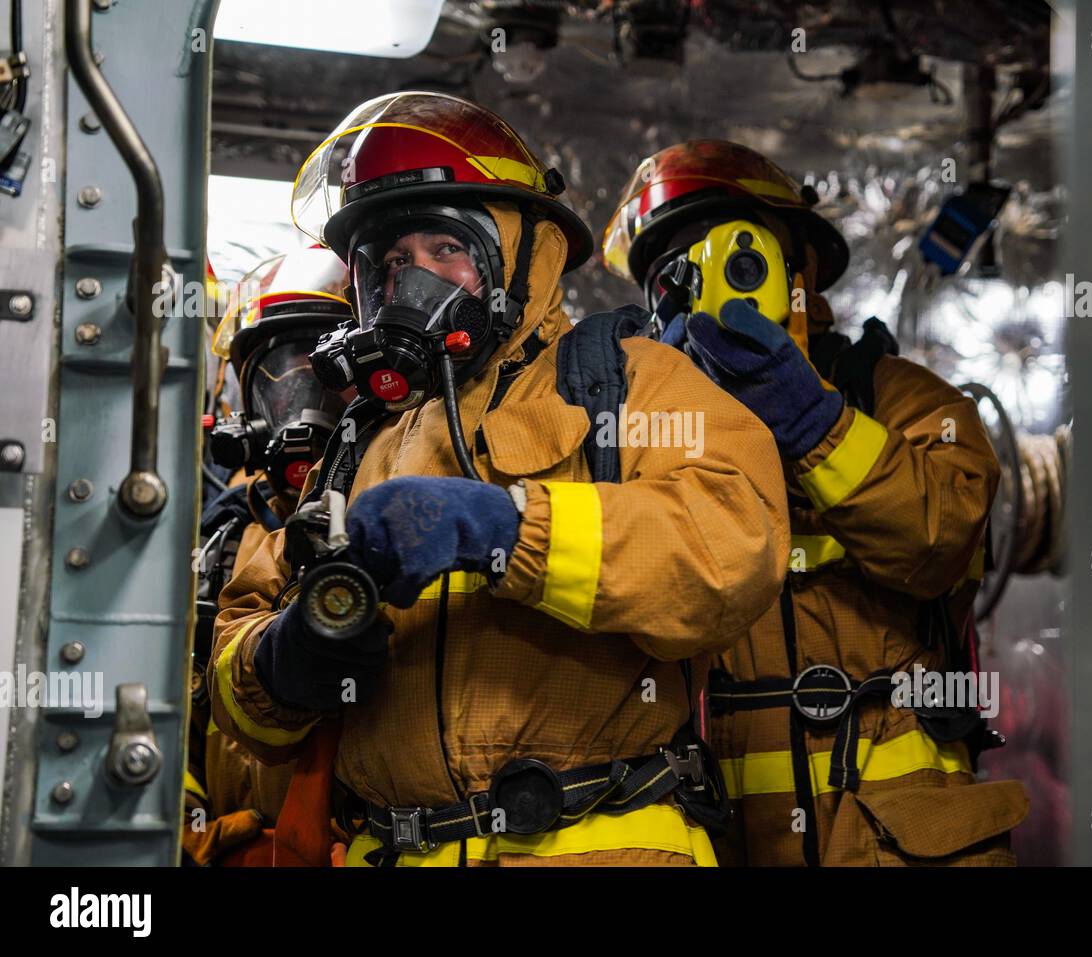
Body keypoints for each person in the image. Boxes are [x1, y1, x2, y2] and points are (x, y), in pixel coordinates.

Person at [208, 94, 789, 867]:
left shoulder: (625, 383)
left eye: (446, 247)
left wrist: (509, 531)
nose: (412, 282)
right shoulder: (359, 444)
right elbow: (242, 668)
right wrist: (281, 659)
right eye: (388, 262)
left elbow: (733, 548)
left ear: (519, 256)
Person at [603, 139, 1028, 866]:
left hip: (901, 837)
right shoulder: (642, 434)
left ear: (799, 267)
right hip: (725, 834)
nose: (707, 285)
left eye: (738, 253)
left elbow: (945, 537)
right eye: (675, 274)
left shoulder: (898, 396)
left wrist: (818, 424)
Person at [186, 247, 353, 866]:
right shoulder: (218, 543)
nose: (303, 413)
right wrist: (211, 843)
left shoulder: (404, 523)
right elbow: (163, 716)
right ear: (242, 403)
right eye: (277, 386)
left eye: (326, 383)